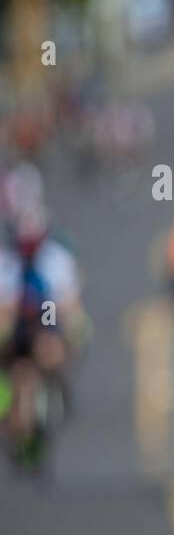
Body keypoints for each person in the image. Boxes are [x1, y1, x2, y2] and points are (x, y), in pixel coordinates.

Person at [0, 163, 89, 465]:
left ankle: (52, 390)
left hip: (47, 320)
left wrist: (52, 329)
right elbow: (7, 305)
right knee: (16, 367)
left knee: (49, 349)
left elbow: (64, 301)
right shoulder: (7, 262)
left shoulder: (55, 259)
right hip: (18, 327)